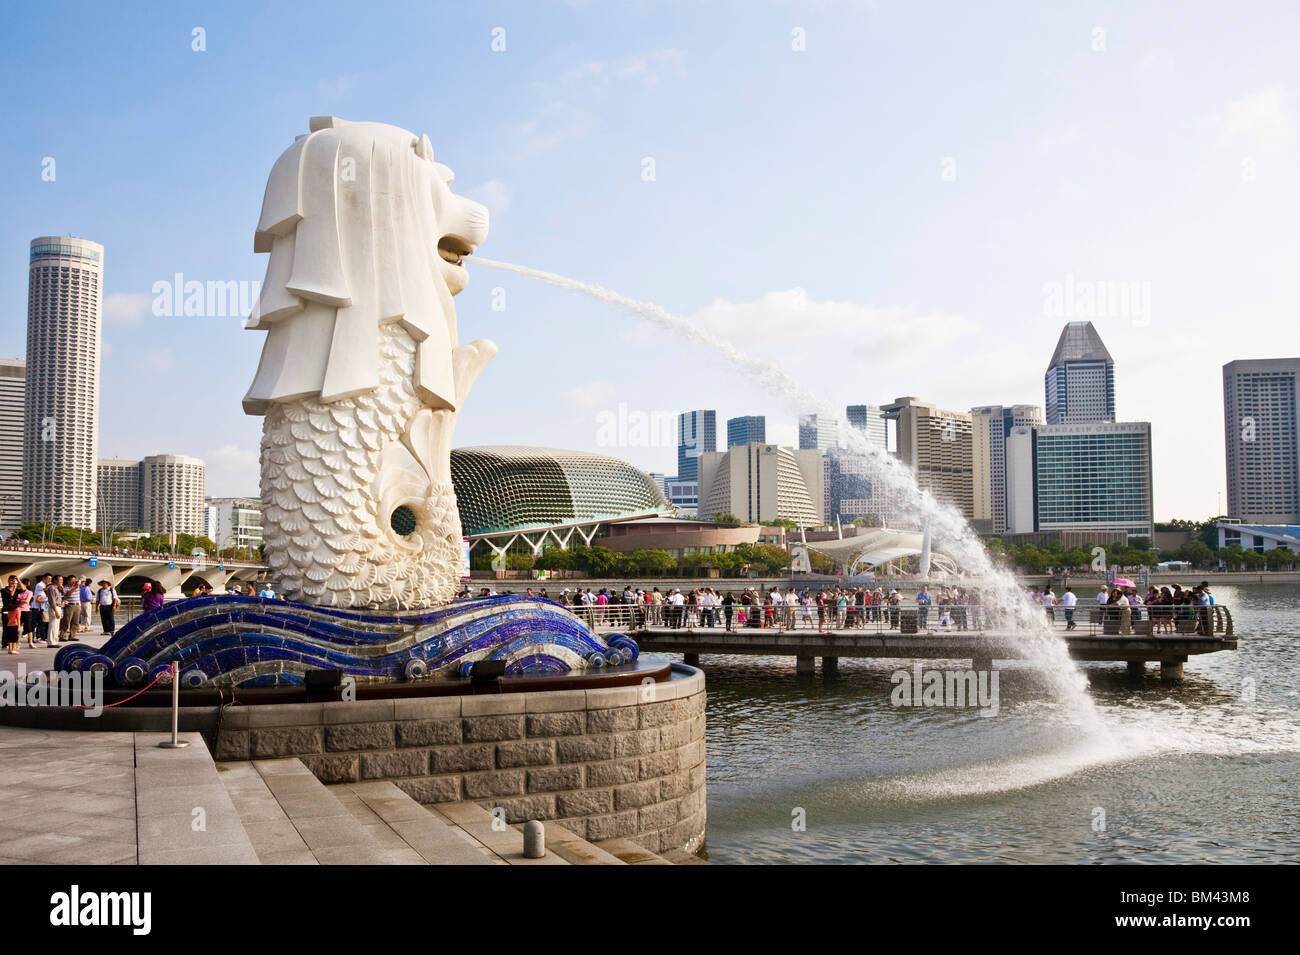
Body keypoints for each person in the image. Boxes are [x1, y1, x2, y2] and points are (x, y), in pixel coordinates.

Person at [3, 576, 21, 654]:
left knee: (12, 634)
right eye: (11, 581)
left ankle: (11, 648)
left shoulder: (17, 592)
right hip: (8, 614)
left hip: (11, 617)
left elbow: (24, 589)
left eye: (14, 581)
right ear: (8, 581)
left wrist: (18, 581)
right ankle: (8, 646)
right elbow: (10, 596)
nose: (13, 582)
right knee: (8, 632)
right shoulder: (4, 590)